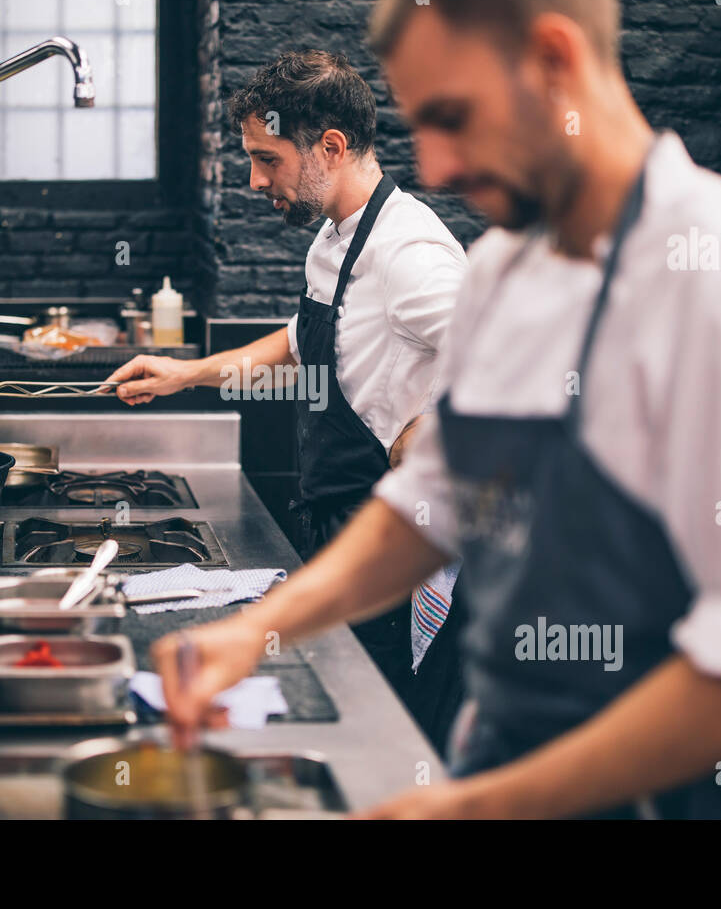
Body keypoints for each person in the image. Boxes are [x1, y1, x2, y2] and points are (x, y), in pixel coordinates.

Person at [153, 0, 721, 819]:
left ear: (555, 59)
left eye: (453, 117)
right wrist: (250, 631)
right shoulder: (505, 268)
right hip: (510, 762)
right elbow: (438, 498)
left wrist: (477, 805)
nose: (435, 165)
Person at [105, 50, 470, 749]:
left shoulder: (409, 252)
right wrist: (187, 374)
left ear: (330, 147)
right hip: (336, 521)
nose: (254, 179)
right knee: (340, 716)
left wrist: (431, 428)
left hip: (394, 548)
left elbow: (514, 364)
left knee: (384, 740)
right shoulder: (334, 241)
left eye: (267, 159)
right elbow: (302, 342)